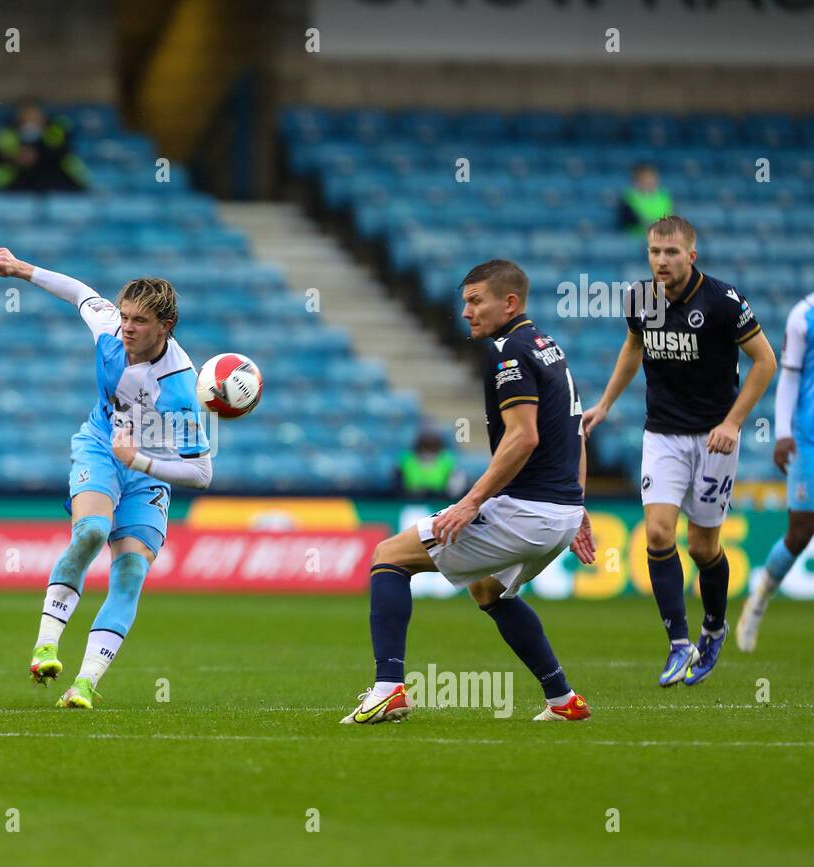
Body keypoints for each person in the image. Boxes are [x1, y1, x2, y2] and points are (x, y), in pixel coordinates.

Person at [342, 260, 593, 725]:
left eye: (476, 301)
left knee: (389, 557)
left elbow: (525, 437)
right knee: (487, 592)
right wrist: (578, 504)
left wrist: (470, 502)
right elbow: (576, 429)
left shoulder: (508, 351)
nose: (465, 311)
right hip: (557, 513)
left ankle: (388, 689)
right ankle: (563, 700)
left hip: (528, 511)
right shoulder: (548, 346)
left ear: (510, 302)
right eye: (464, 301)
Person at [0, 247, 211, 708]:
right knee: (91, 531)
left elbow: (202, 473)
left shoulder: (180, 388)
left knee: (130, 571)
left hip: (148, 472)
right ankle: (45, 645)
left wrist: (141, 462)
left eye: (139, 321)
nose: (126, 327)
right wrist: (23, 270)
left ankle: (84, 683)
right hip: (101, 445)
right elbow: (81, 293)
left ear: (165, 327)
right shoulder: (109, 329)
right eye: (124, 316)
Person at [582, 216, 776, 687]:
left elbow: (765, 362)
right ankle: (678, 643)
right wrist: (605, 403)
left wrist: (732, 422)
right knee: (657, 534)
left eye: (671, 253)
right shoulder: (641, 299)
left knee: (703, 546)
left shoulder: (724, 302)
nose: (661, 261)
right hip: (663, 434)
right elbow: (634, 347)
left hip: (714, 437)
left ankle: (714, 627)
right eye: (654, 252)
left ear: (691, 255)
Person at [735, 290, 814, 651]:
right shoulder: (804, 316)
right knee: (800, 532)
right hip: (807, 438)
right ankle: (760, 597)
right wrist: (782, 434)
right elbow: (790, 379)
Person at [0, 104, 89, 193]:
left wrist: (38, 154)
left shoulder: (56, 130)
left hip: (53, 179)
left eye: (34, 116)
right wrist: (14, 157)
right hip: (16, 181)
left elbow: (64, 152)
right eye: (26, 116)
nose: (31, 120)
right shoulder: (6, 132)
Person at [396, 428, 467, 498]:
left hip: (440, 500)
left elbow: (453, 490)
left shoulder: (446, 460)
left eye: (433, 448)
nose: (428, 452)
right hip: (411, 499)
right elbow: (399, 484)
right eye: (424, 447)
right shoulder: (407, 460)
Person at [618, 163, 673, 237]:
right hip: (636, 237)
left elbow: (672, 217)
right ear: (636, 181)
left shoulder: (664, 196)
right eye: (644, 178)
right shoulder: (629, 197)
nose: (648, 181)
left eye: (651, 178)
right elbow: (628, 220)